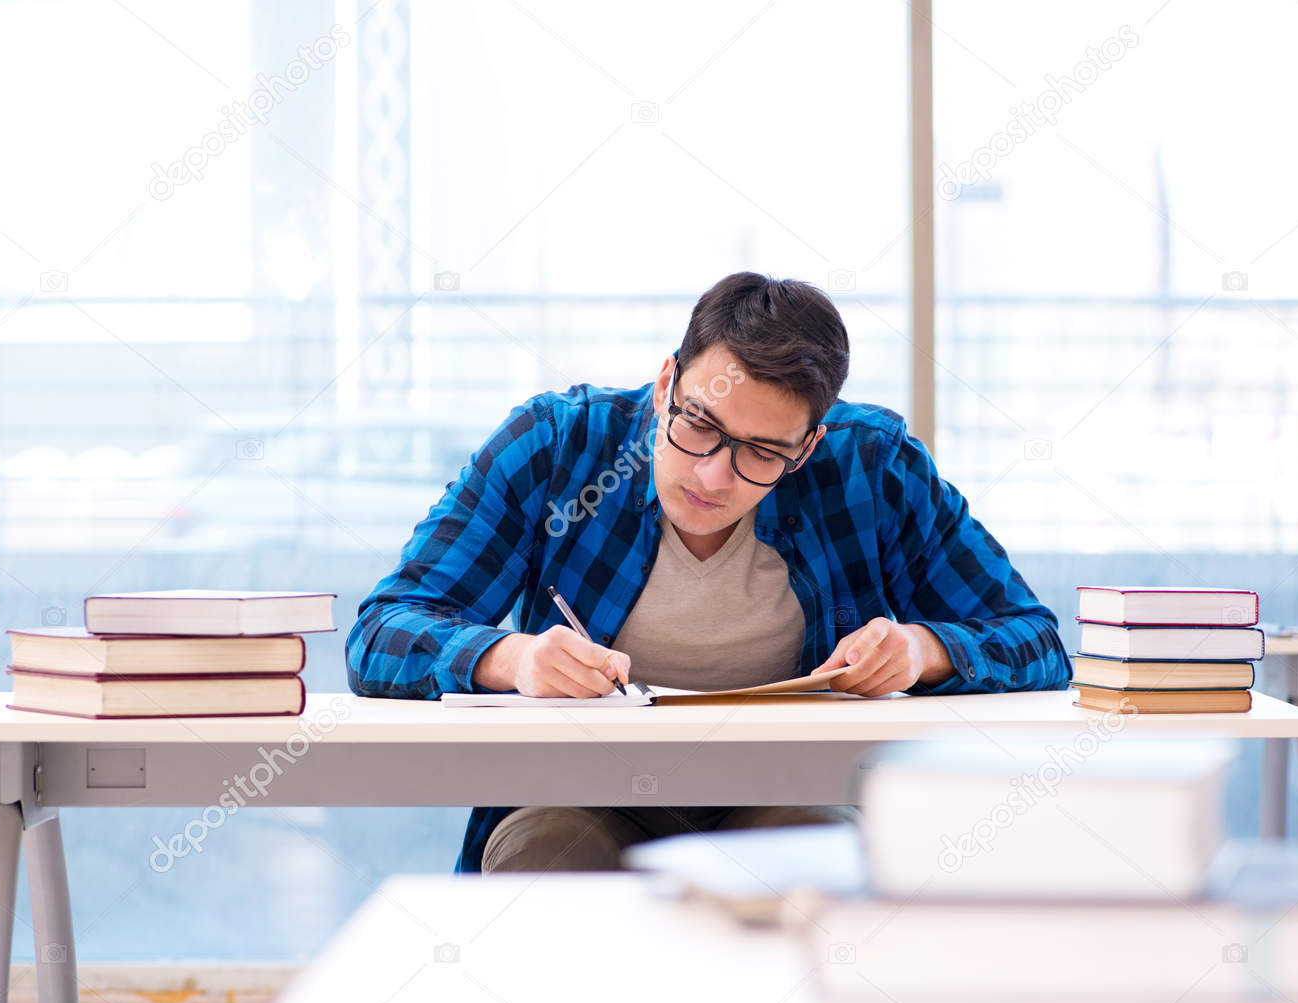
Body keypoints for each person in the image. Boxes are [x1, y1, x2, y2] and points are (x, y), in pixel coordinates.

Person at [346, 271, 1071, 873]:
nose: (713, 476)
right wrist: (516, 659)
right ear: (667, 381)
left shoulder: (873, 465)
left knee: (814, 866)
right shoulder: (558, 445)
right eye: (699, 425)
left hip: (785, 785)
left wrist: (921, 649)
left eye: (762, 452)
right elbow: (383, 630)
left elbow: (1034, 639)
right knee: (545, 862)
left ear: (808, 445)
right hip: (576, 788)